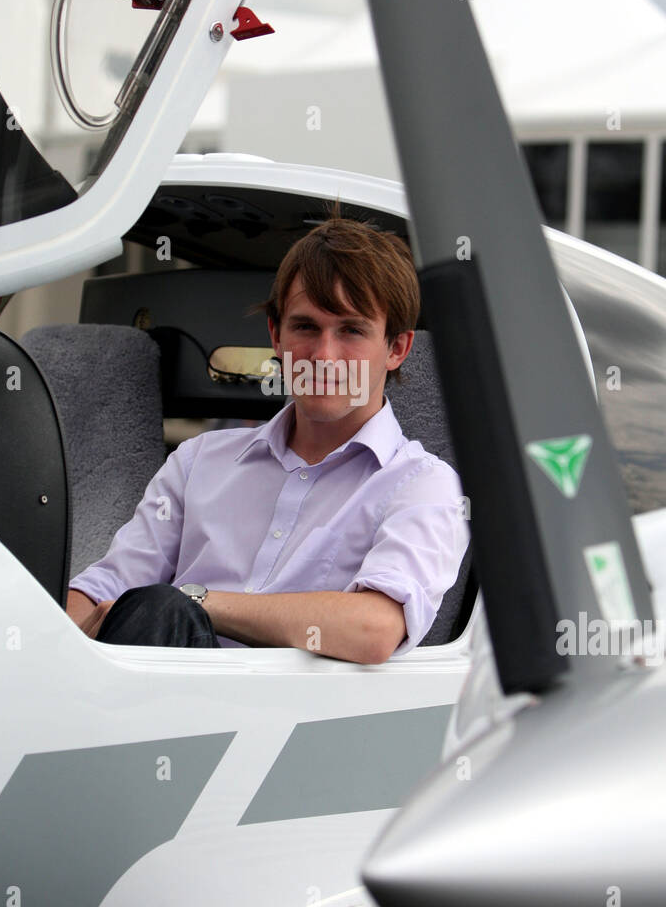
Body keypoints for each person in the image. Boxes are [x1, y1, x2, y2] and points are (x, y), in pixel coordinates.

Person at [66, 211, 468, 662]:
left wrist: (196, 601)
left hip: (292, 721)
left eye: (351, 330)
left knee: (161, 608)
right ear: (276, 336)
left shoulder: (422, 485)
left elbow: (374, 629)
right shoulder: (197, 461)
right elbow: (107, 585)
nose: (324, 356)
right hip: (156, 698)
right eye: (305, 327)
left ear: (397, 348)